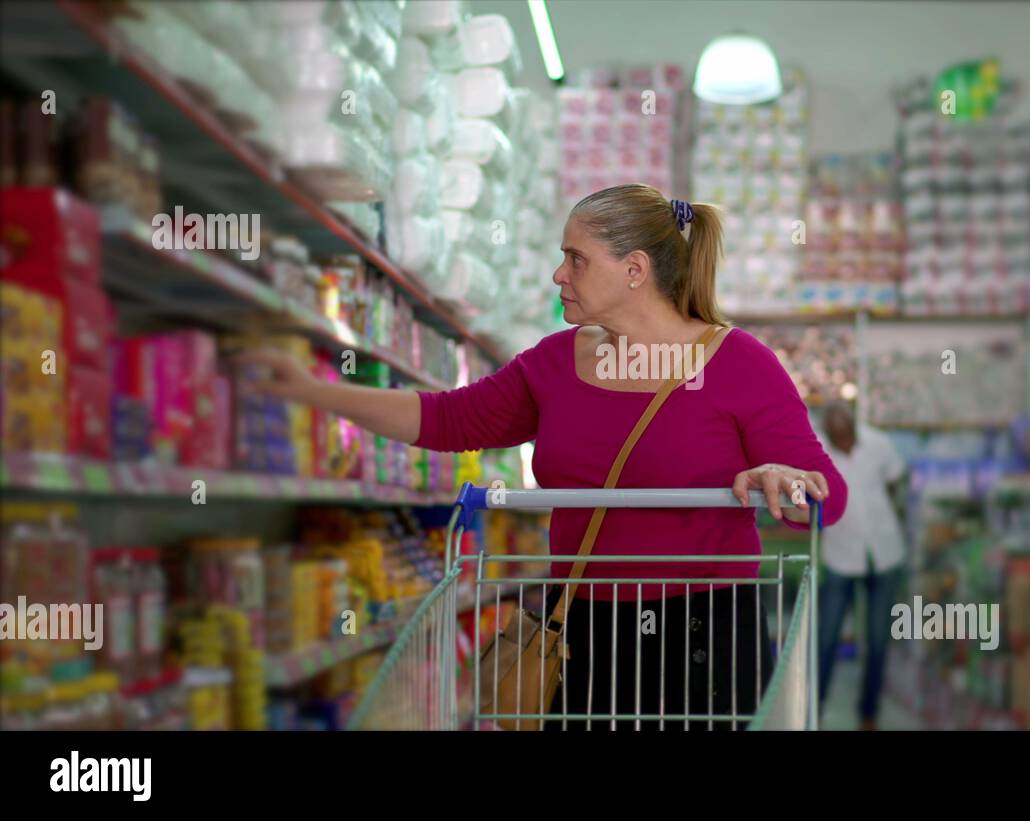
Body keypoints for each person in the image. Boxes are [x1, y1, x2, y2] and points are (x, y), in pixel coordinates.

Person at [240, 183, 847, 730]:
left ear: (635, 270)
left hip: (705, 636)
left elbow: (826, 499)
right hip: (580, 627)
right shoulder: (554, 363)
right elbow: (447, 419)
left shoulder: (741, 364)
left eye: (576, 259)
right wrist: (312, 390)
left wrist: (784, 478)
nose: (559, 275)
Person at [814, 400, 908, 731]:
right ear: (826, 431)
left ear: (854, 425)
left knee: (878, 640)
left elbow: (896, 480)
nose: (843, 441)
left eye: (847, 434)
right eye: (835, 436)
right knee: (826, 639)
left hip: (884, 554)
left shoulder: (879, 444)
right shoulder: (816, 452)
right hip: (840, 557)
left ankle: (868, 714)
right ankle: (816, 711)